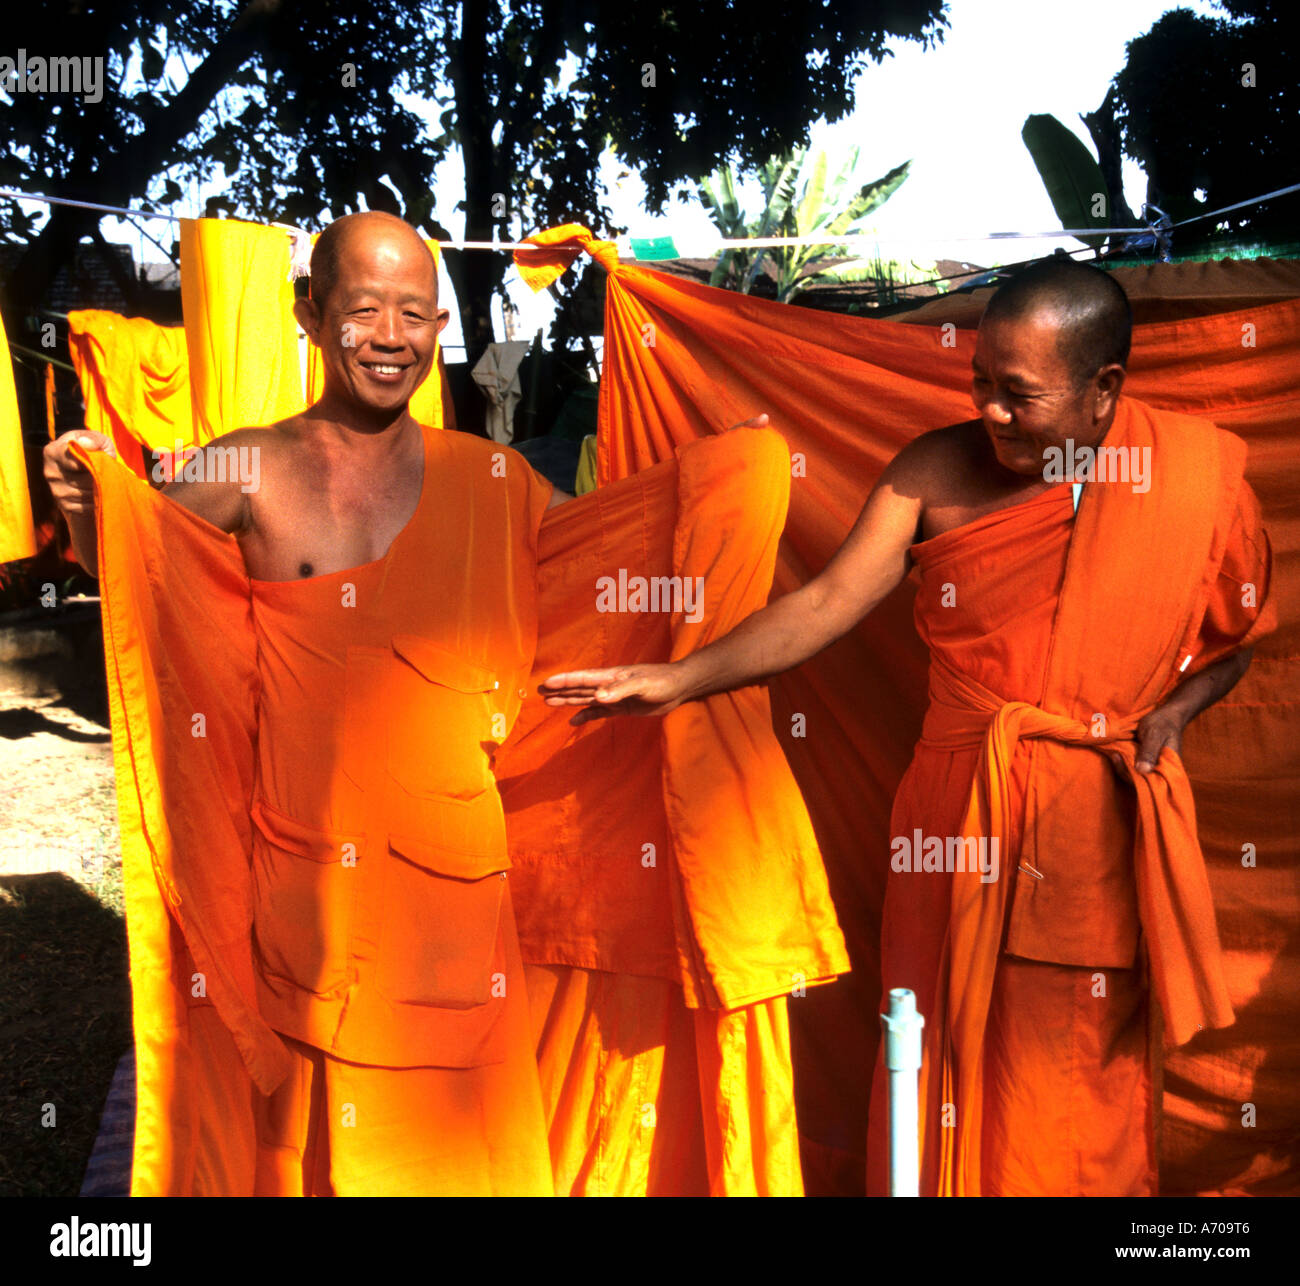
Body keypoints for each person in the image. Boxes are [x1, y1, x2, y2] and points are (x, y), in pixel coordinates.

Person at [540, 258, 1275, 1196]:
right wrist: (680, 677)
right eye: (980, 383)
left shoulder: (1193, 480)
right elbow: (827, 603)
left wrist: (1172, 713)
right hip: (952, 817)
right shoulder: (934, 468)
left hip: (1089, 825)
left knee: (1074, 1070)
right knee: (930, 1051)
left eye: (1020, 394)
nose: (992, 413)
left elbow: (1239, 636)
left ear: (1106, 391)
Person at [45, 210, 567, 1195]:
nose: (389, 334)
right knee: (314, 1152)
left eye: (413, 312)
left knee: (457, 1155)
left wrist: (736, 482)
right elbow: (146, 578)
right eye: (362, 308)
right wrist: (86, 508)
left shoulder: (493, 480)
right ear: (310, 315)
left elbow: (600, 566)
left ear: (441, 323)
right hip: (308, 887)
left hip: (454, 898)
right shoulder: (248, 467)